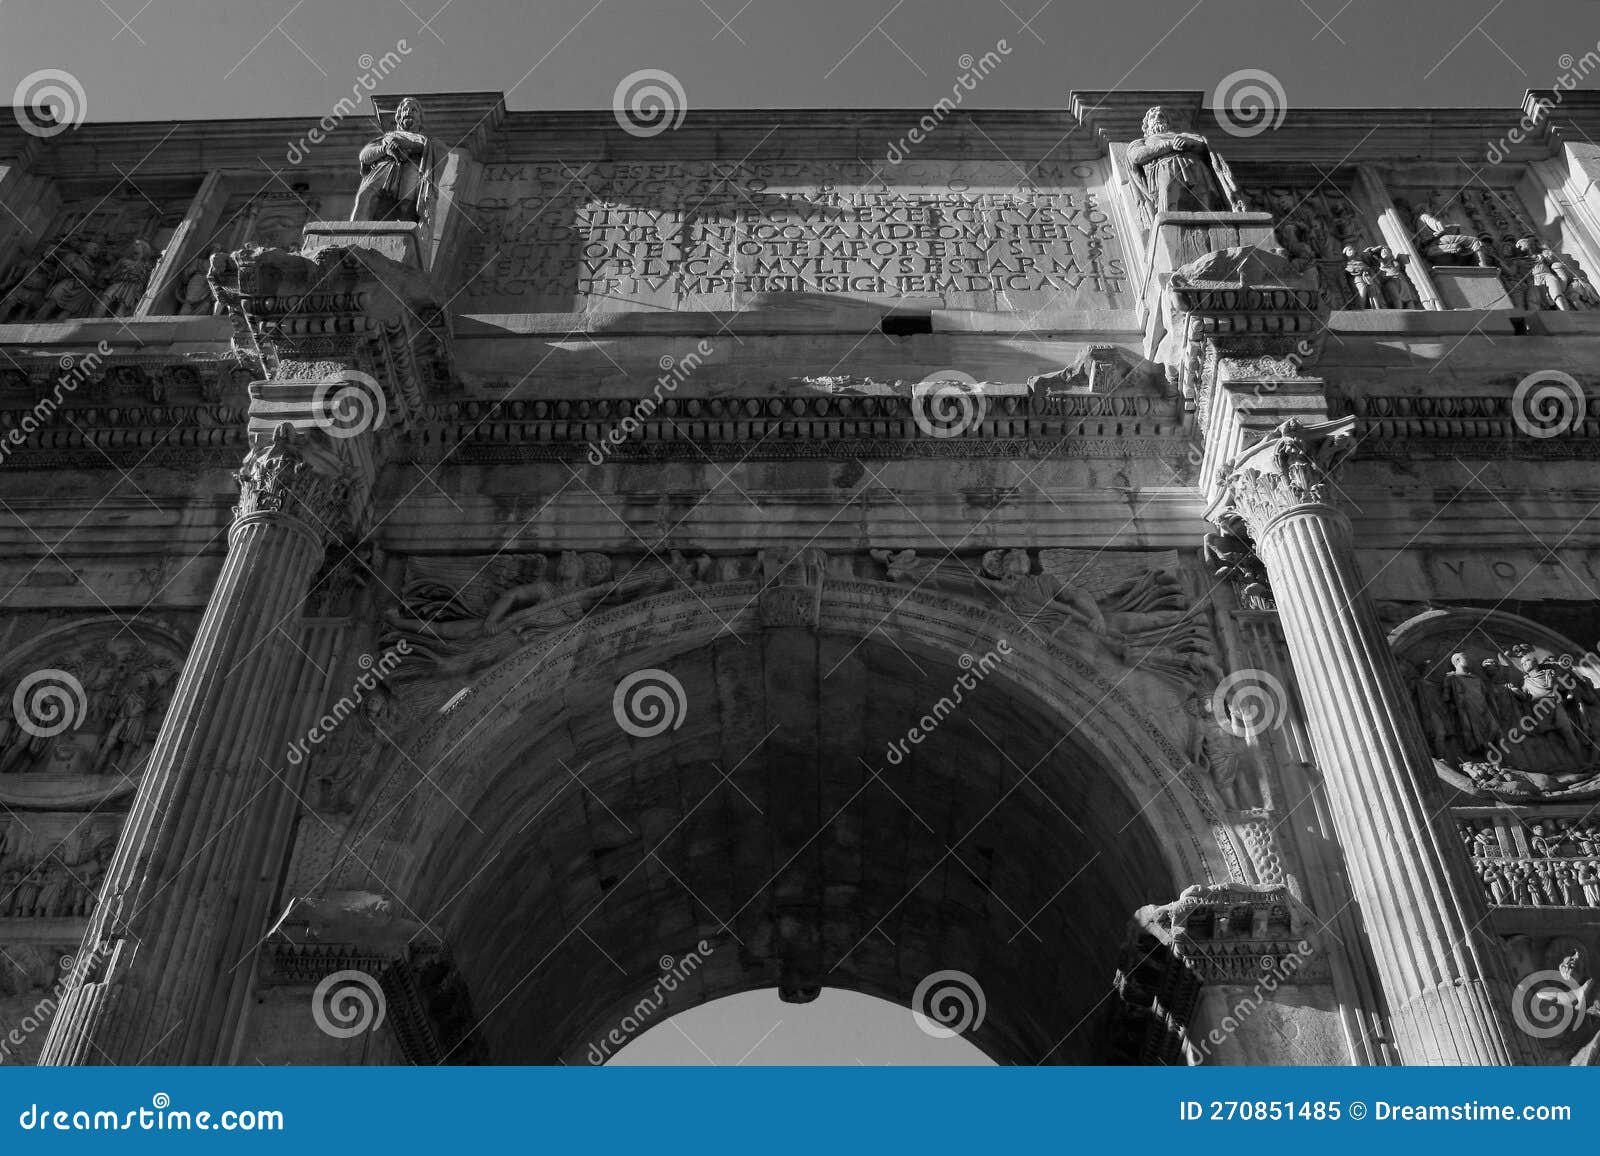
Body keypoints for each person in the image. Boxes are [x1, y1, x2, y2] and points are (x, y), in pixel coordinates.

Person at [1125, 105, 1246, 216]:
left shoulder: (1184, 134)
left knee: (1205, 201)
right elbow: (1137, 156)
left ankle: (1213, 224)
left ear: (1167, 121)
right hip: (1165, 168)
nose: (1157, 118)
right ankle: (1166, 224)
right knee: (1168, 199)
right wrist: (1168, 145)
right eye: (1153, 117)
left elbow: (1204, 146)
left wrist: (1189, 143)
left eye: (1161, 116)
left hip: (1194, 166)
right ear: (1147, 125)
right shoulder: (1142, 142)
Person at [350, 97, 443, 224]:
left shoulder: (425, 141)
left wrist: (405, 145)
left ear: (420, 120)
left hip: (412, 169)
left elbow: (431, 152)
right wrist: (385, 149)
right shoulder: (388, 137)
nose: (408, 112)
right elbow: (364, 156)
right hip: (384, 169)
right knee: (365, 196)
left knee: (406, 208)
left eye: (413, 110)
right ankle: (355, 234)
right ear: (399, 117)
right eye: (405, 109)